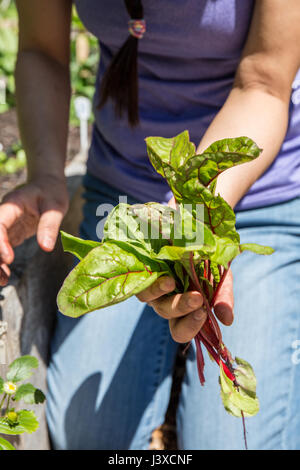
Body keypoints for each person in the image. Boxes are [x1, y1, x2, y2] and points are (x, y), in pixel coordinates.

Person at [0, 0, 299, 450]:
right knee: (88, 436)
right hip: (125, 193)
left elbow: (263, 83)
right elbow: (42, 49)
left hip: (255, 194)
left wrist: (196, 226)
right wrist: (45, 172)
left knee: (237, 441)